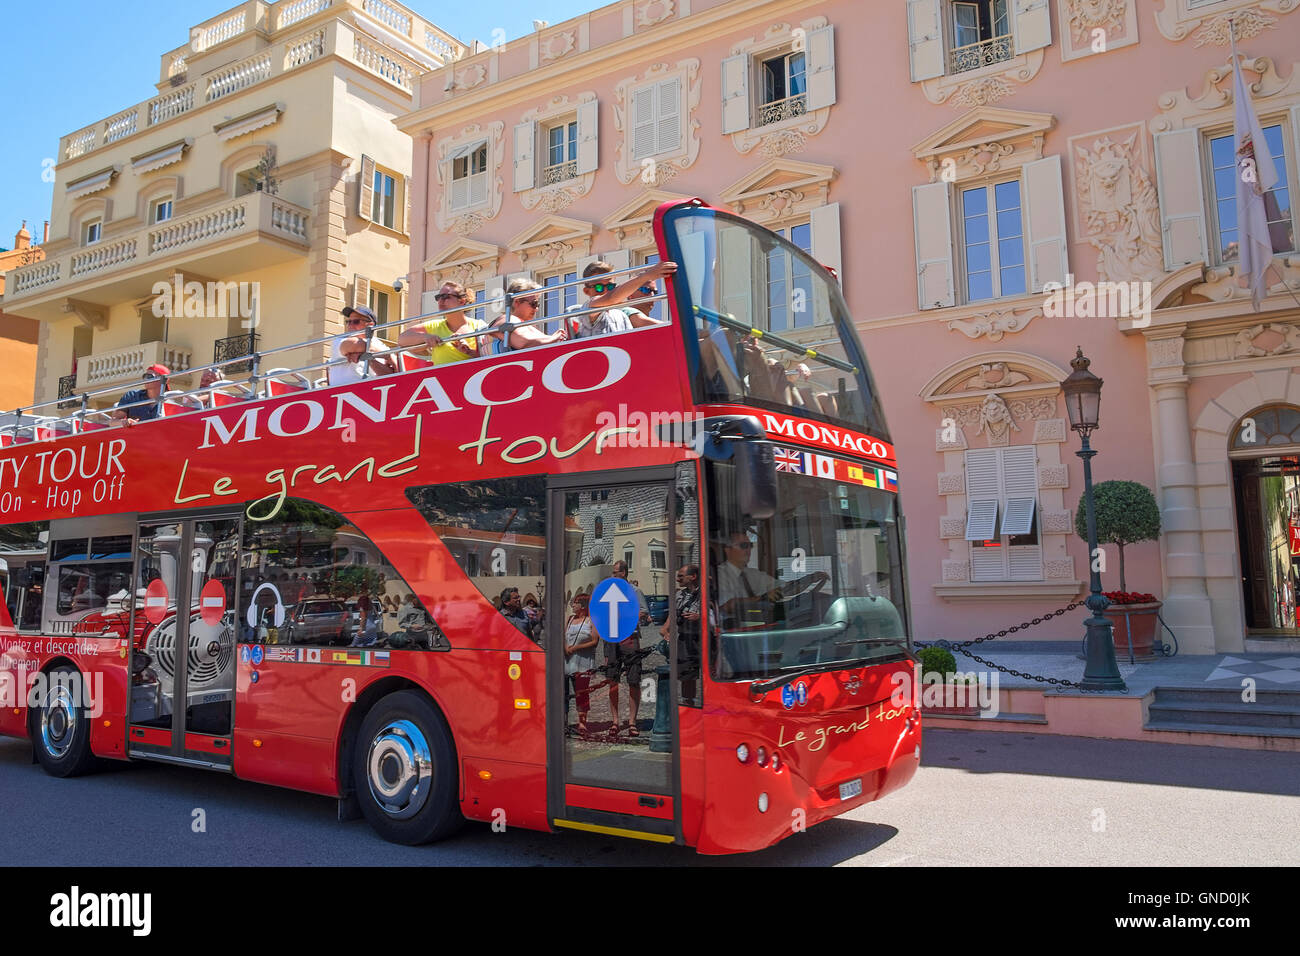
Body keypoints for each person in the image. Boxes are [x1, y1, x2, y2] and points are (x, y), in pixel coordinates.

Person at [567, 260, 676, 338]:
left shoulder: (621, 315)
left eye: (610, 287)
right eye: (598, 287)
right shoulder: (588, 307)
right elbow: (611, 298)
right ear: (587, 291)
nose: (605, 291)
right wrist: (647, 276)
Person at [604, 560, 649, 737]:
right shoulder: (608, 591)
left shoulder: (635, 591)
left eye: (616, 572)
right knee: (612, 680)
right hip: (611, 639)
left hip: (630, 639)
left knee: (633, 680)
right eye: (613, 572)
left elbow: (644, 612)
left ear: (623, 573)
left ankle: (632, 722)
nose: (613, 575)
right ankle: (615, 721)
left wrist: (626, 617)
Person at [397, 281, 487, 364]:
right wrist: (425, 337)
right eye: (438, 297)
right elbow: (401, 339)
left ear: (462, 301)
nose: (440, 301)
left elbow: (490, 359)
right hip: (440, 379)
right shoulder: (435, 326)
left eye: (445, 296)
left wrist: (469, 352)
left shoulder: (478, 326)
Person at [485, 278, 567, 354]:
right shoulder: (506, 319)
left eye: (537, 304)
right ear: (517, 302)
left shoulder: (526, 326)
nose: (536, 309)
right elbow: (524, 341)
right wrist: (554, 338)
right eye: (534, 304)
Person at [331, 305, 397, 386]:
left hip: (372, 392)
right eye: (348, 322)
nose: (350, 325)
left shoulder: (380, 345)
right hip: (343, 392)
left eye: (355, 321)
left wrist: (370, 359)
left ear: (370, 325)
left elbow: (392, 375)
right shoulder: (340, 340)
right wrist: (386, 355)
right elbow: (355, 344)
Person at [563, 593, 598, 737]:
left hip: (583, 663)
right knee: (564, 694)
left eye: (576, 602)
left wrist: (576, 648)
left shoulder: (591, 620)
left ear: (583, 606)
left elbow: (595, 641)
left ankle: (582, 723)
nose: (573, 605)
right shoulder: (570, 619)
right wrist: (566, 647)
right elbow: (564, 636)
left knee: (582, 693)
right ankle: (564, 722)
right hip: (567, 663)